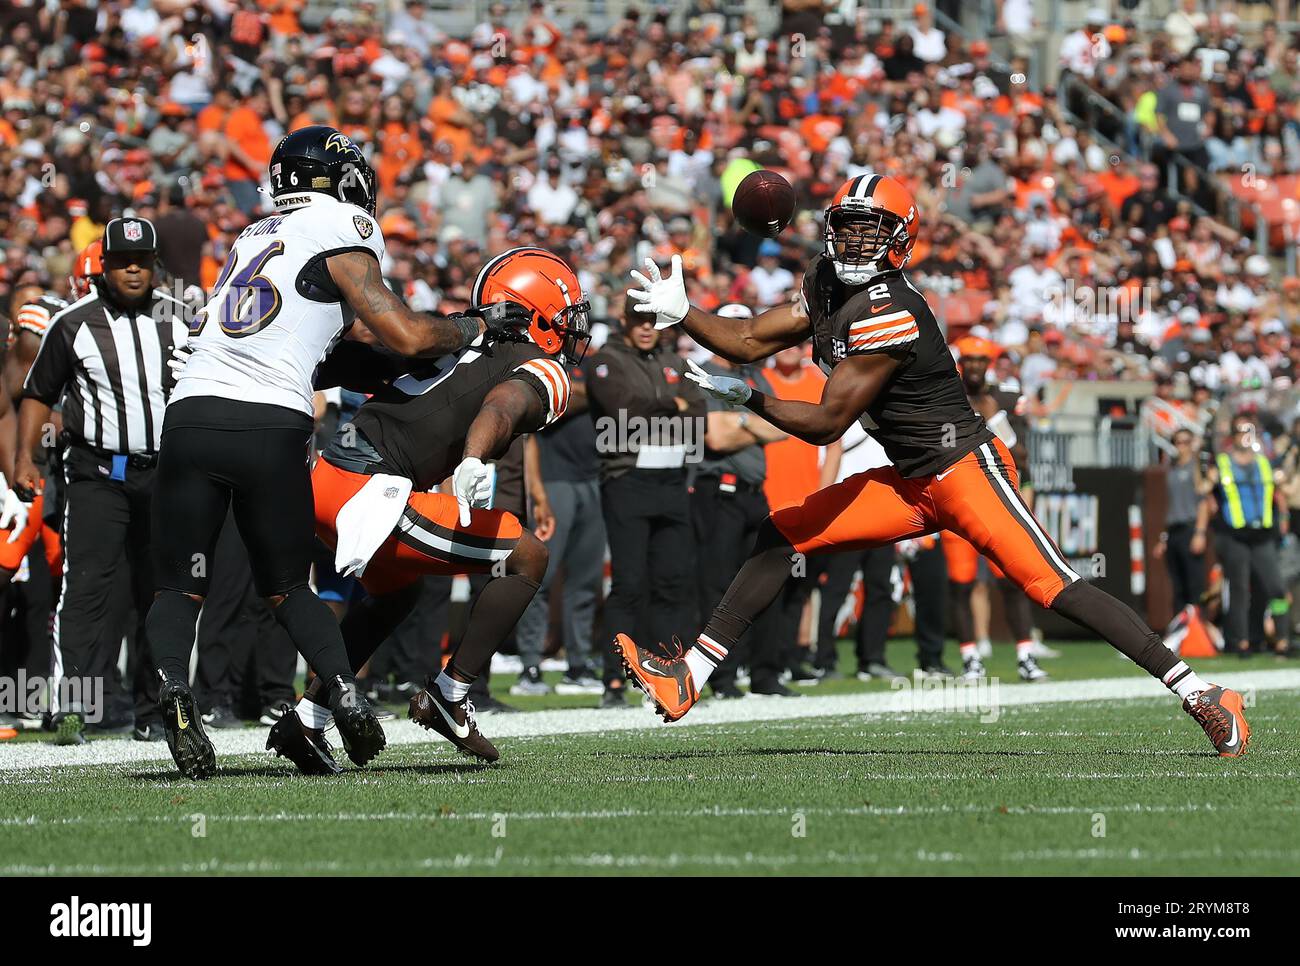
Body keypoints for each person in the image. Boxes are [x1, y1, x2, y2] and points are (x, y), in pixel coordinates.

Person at [620, 173, 1251, 758]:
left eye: (867, 228)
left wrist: (752, 397)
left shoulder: (891, 309)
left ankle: (1200, 692)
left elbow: (827, 423)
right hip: (910, 480)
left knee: (1054, 586)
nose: (849, 239)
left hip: (964, 470)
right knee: (782, 532)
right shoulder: (828, 281)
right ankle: (689, 677)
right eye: (844, 225)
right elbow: (752, 338)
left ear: (899, 238)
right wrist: (686, 312)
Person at [146, 126, 502, 779]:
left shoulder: (252, 236)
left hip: (190, 416)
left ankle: (174, 690)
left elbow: (327, 341)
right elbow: (400, 328)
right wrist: (475, 324)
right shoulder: (345, 223)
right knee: (286, 585)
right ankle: (341, 689)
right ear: (342, 181)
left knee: (179, 586)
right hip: (270, 419)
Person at [268, 247, 588, 772]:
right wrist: (474, 457)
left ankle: (308, 718)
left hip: (329, 478)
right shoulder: (543, 368)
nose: (574, 329)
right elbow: (502, 407)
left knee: (396, 593)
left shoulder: (454, 338)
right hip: (365, 491)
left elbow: (355, 360)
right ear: (536, 313)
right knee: (528, 556)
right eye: (567, 313)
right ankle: (451, 692)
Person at [15, 218, 187, 744]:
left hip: (164, 474)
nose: (132, 268)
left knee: (158, 593)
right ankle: (74, 705)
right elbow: (38, 393)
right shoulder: (73, 323)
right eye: (120, 260)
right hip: (96, 474)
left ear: (155, 263)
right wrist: (27, 459)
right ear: (104, 265)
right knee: (87, 587)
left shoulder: (181, 320)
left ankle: (153, 710)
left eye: (141, 259)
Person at [584, 297, 706, 707]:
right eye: (639, 320)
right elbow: (622, 409)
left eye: (653, 320)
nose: (647, 327)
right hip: (627, 479)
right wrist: (674, 404)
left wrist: (670, 408)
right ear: (624, 321)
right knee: (630, 583)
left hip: (672, 479)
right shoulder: (606, 361)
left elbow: (700, 411)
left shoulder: (672, 360)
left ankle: (667, 673)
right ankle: (614, 680)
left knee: (672, 583)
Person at [690, 303, 791, 698]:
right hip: (719, 490)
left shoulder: (756, 374)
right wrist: (754, 421)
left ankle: (766, 674)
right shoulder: (706, 374)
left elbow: (784, 429)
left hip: (753, 491)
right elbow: (716, 436)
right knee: (717, 586)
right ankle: (724, 678)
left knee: (767, 581)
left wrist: (741, 423)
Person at [944, 336, 1045, 682]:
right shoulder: (946, 395)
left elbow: (1021, 456)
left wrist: (994, 419)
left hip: (995, 502)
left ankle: (1025, 655)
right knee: (960, 584)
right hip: (954, 503)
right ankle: (970, 657)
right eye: (968, 360)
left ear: (988, 365)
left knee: (1011, 581)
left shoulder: (999, 401)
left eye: (979, 360)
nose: (973, 366)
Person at [1200, 414, 1291, 658]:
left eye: (1249, 430)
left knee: (1275, 587)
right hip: (1234, 535)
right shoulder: (1222, 462)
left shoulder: (1264, 462)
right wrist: (1208, 483)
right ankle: (1240, 642)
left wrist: (1283, 519)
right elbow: (1204, 492)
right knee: (1239, 590)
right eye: (1240, 431)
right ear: (1233, 436)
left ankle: (1282, 640)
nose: (1245, 435)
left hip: (1263, 534)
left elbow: (1280, 491)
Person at [1154, 427, 1207, 613]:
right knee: (1177, 586)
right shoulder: (1172, 470)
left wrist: (1200, 532)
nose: (1181, 446)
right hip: (1174, 531)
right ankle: (1180, 632)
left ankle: (1197, 630)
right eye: (1177, 442)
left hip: (1190, 529)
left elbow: (1203, 502)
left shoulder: (1196, 468)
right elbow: (1170, 506)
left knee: (1194, 585)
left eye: (1186, 442)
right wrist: (1163, 538)